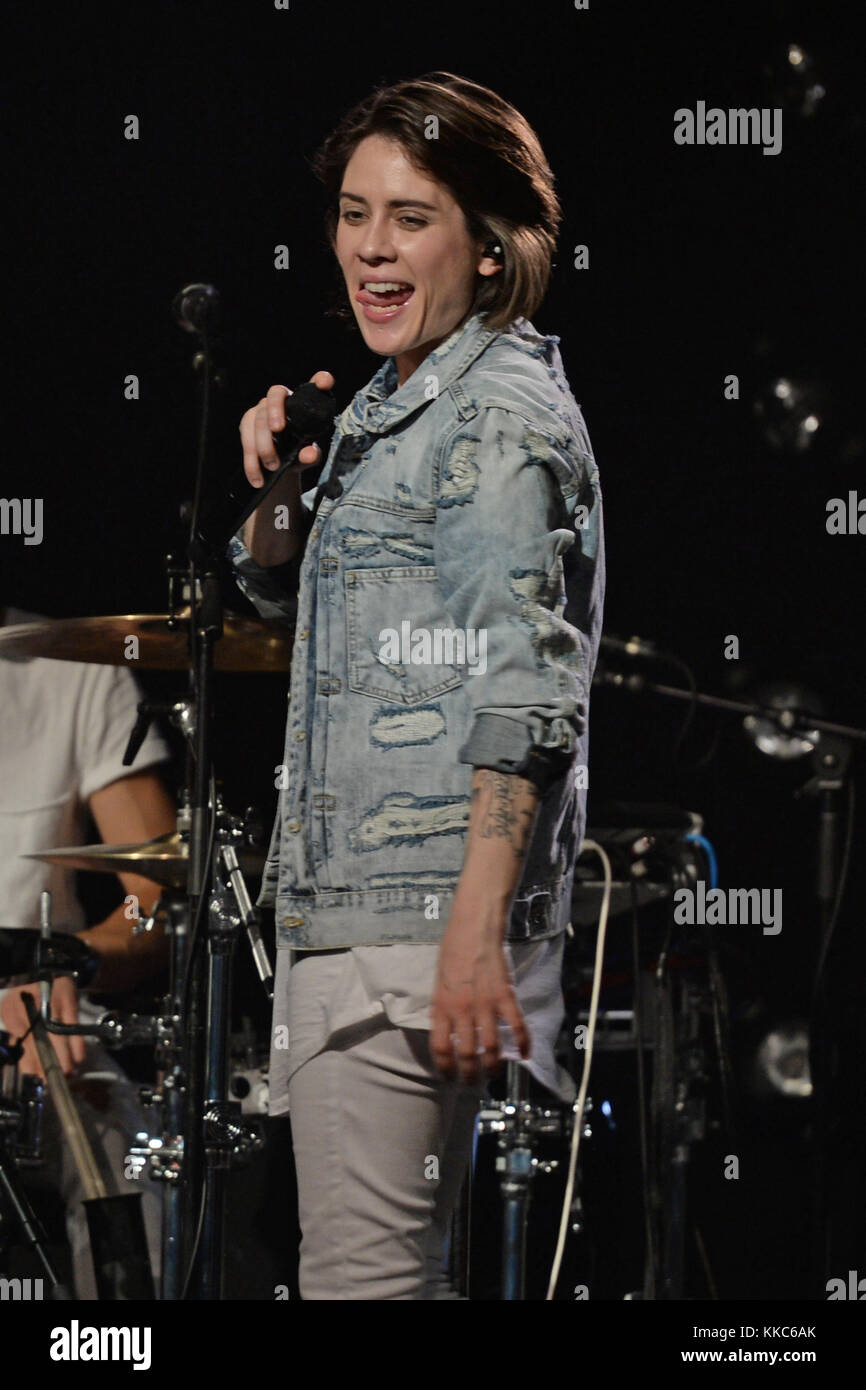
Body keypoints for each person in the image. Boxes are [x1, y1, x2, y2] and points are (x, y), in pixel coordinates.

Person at [229, 72, 605, 1300]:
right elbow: (286, 599)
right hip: (386, 922)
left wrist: (468, 932)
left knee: (363, 1283)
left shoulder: (488, 423)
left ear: (489, 249)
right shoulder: (400, 404)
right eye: (352, 213)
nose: (370, 250)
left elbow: (526, 693)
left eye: (411, 216)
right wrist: (287, 486)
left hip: (405, 927)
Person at [0, 601, 176, 1297]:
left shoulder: (69, 666)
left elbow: (157, 899)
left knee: (114, 1149)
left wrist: (64, 966)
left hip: (32, 1030)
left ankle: (118, 1343)